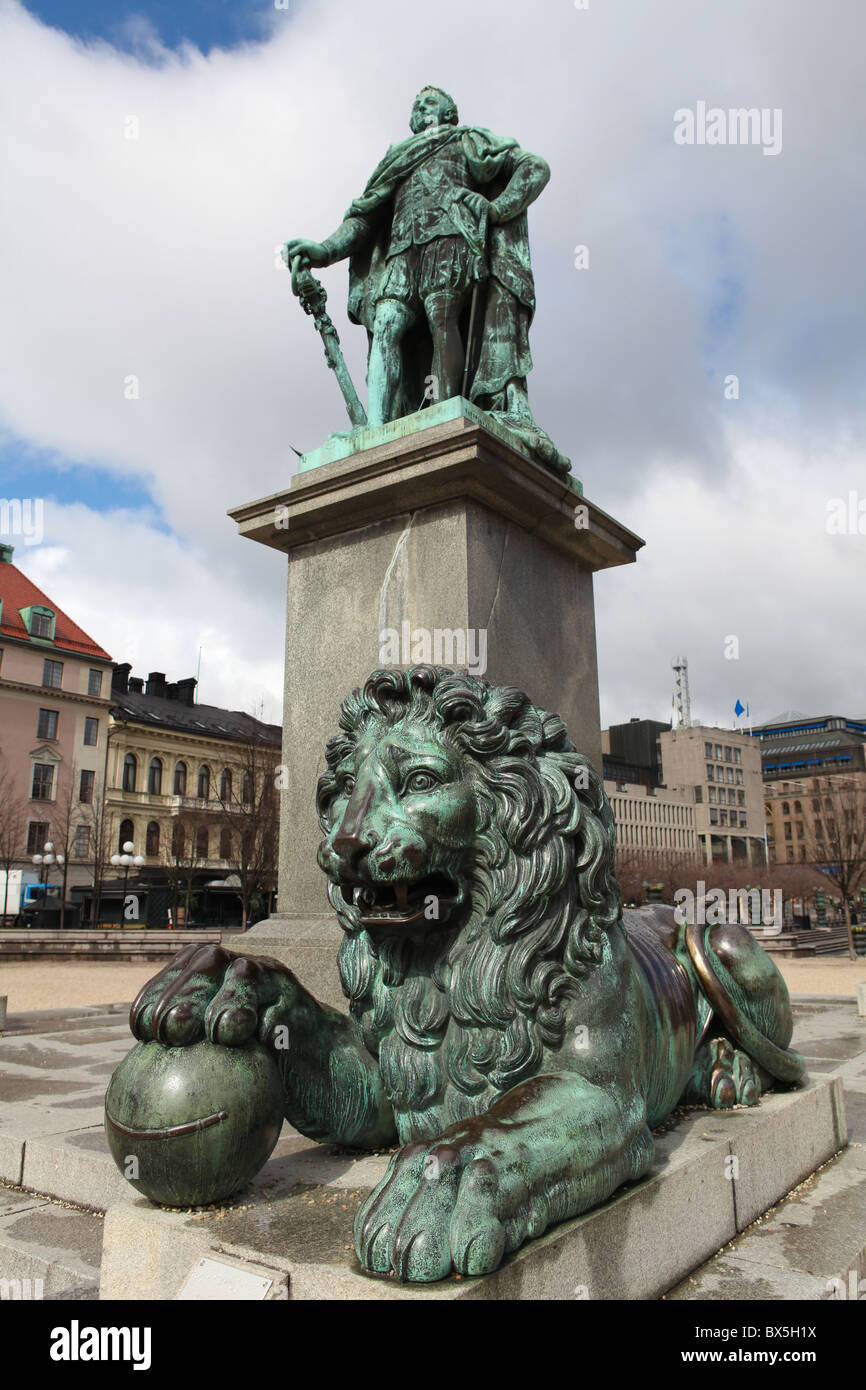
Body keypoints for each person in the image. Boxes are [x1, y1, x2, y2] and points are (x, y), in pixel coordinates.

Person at [283, 86, 570, 476]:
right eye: (416, 104)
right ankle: (376, 429)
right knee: (387, 324)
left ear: (449, 112)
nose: (422, 107)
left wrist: (497, 208)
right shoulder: (396, 159)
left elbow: (535, 168)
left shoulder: (468, 140)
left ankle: (442, 411)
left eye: (431, 102)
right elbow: (364, 219)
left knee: (441, 320)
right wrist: (324, 250)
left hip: (449, 242)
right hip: (403, 251)